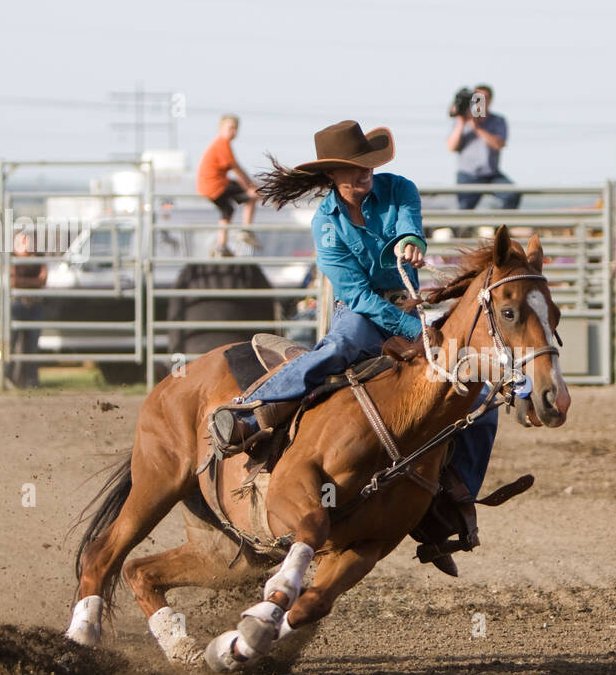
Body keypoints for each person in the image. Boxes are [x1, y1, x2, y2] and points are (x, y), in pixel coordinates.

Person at [207, 120, 502, 568]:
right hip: (365, 314)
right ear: (332, 176)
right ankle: (250, 410)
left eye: (366, 165)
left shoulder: (399, 187)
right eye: (353, 169)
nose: (364, 174)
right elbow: (359, 296)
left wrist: (409, 239)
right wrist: (415, 332)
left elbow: (408, 220)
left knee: (476, 397)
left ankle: (455, 498)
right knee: (337, 350)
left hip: (410, 307)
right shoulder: (326, 225)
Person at [447, 85, 520, 211]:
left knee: (512, 195)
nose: (479, 101)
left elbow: (498, 144)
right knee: (464, 208)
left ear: (490, 100)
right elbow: (451, 147)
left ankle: (500, 228)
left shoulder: (497, 121)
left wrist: (477, 127)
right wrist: (461, 121)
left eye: (483, 98)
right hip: (468, 174)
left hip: (491, 173)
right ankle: (462, 230)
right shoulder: (461, 120)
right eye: (476, 97)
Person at [197, 114, 260, 254]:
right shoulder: (222, 144)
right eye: (231, 128)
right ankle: (246, 231)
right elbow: (236, 169)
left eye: (236, 129)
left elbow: (236, 170)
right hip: (215, 185)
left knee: (227, 210)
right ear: (221, 128)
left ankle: (222, 245)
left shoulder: (219, 144)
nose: (234, 132)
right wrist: (249, 188)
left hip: (207, 186)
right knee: (252, 196)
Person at [8, 228, 48, 388]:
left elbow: (43, 280)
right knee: (11, 342)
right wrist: (34, 282)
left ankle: (30, 381)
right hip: (19, 303)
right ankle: (9, 378)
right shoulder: (13, 257)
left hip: (33, 303)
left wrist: (23, 282)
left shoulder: (37, 258)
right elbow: (13, 281)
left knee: (32, 344)